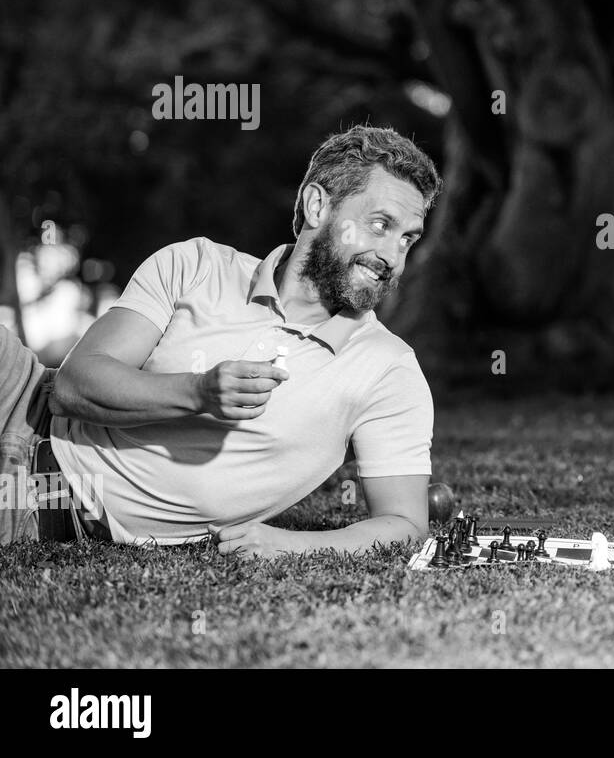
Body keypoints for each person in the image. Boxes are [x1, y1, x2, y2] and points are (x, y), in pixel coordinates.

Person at [1, 125, 441, 557]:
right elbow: (71, 386)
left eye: (407, 238)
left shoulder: (388, 369)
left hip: (50, 502)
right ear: (317, 207)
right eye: (380, 224)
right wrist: (199, 392)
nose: (392, 256)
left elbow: (404, 524)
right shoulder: (196, 264)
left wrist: (290, 543)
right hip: (22, 396)